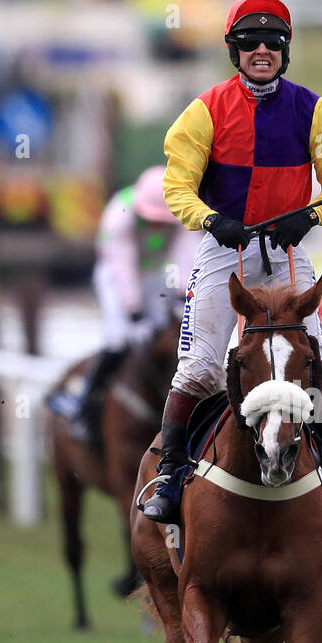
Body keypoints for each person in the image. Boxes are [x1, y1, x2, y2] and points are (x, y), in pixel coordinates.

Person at [139, 0, 322, 527]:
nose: (261, 50)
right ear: (233, 51)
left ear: (285, 53)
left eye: (273, 43)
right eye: (250, 43)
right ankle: (172, 477)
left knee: (318, 375)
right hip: (226, 252)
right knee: (198, 370)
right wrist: (213, 220)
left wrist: (309, 217)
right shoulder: (203, 112)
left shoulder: (316, 111)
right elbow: (179, 187)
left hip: (288, 253)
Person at [46, 166, 195, 444]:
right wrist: (134, 312)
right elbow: (121, 265)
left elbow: (185, 258)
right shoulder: (117, 215)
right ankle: (83, 407)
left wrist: (182, 295)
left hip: (155, 275)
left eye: (163, 221)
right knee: (118, 340)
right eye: (152, 220)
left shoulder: (183, 207)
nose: (158, 227)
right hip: (116, 278)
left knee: (172, 339)